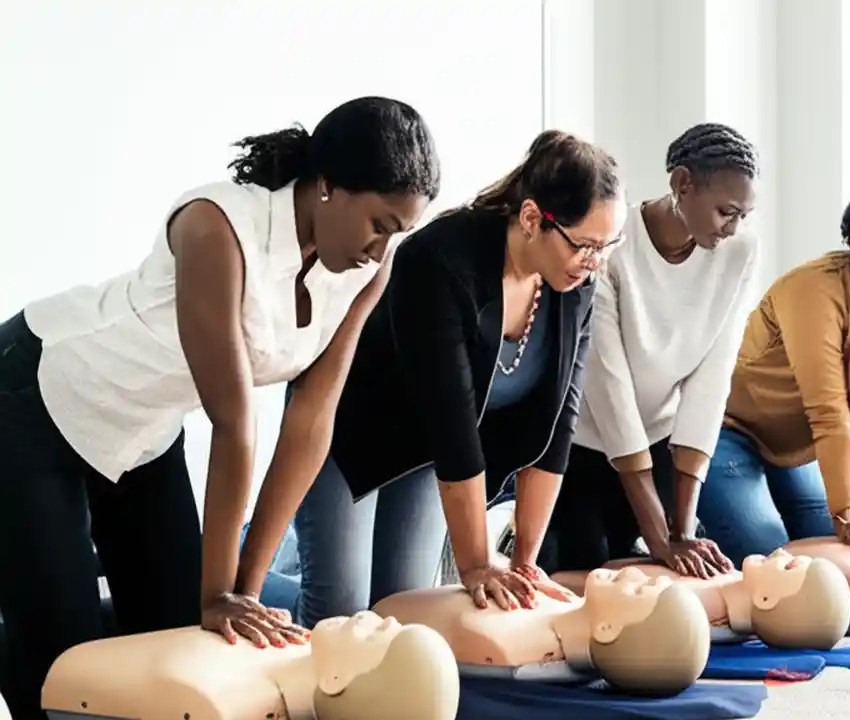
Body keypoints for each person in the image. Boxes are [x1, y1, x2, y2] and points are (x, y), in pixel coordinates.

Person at [0, 96, 440, 720]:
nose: (382, 247)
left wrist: (245, 593)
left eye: (400, 231)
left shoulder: (368, 268)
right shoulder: (216, 226)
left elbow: (311, 421)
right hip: (37, 400)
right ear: (329, 187)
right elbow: (234, 420)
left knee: (182, 639)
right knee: (65, 668)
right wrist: (219, 596)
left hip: (146, 432)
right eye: (380, 223)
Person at [289, 130, 625, 628]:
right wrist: (476, 564)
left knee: (399, 612)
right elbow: (453, 421)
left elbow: (559, 422)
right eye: (586, 245)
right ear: (533, 219)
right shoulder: (444, 260)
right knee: (338, 611)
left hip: (424, 450)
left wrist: (525, 561)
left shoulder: (573, 284)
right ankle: (252, 592)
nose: (595, 262)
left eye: (607, 247)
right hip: (351, 429)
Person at [539, 123, 759, 579]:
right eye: (725, 211)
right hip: (582, 439)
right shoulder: (612, 244)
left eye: (744, 215)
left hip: (657, 436)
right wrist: (660, 537)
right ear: (682, 184)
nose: (733, 227)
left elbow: (710, 382)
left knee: (664, 566)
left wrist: (681, 529)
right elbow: (610, 390)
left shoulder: (739, 253)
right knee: (590, 566)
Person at [696, 174, 850, 566]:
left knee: (837, 553)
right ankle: (697, 522)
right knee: (772, 554)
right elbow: (829, 410)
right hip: (729, 430)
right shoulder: (813, 291)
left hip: (796, 448)